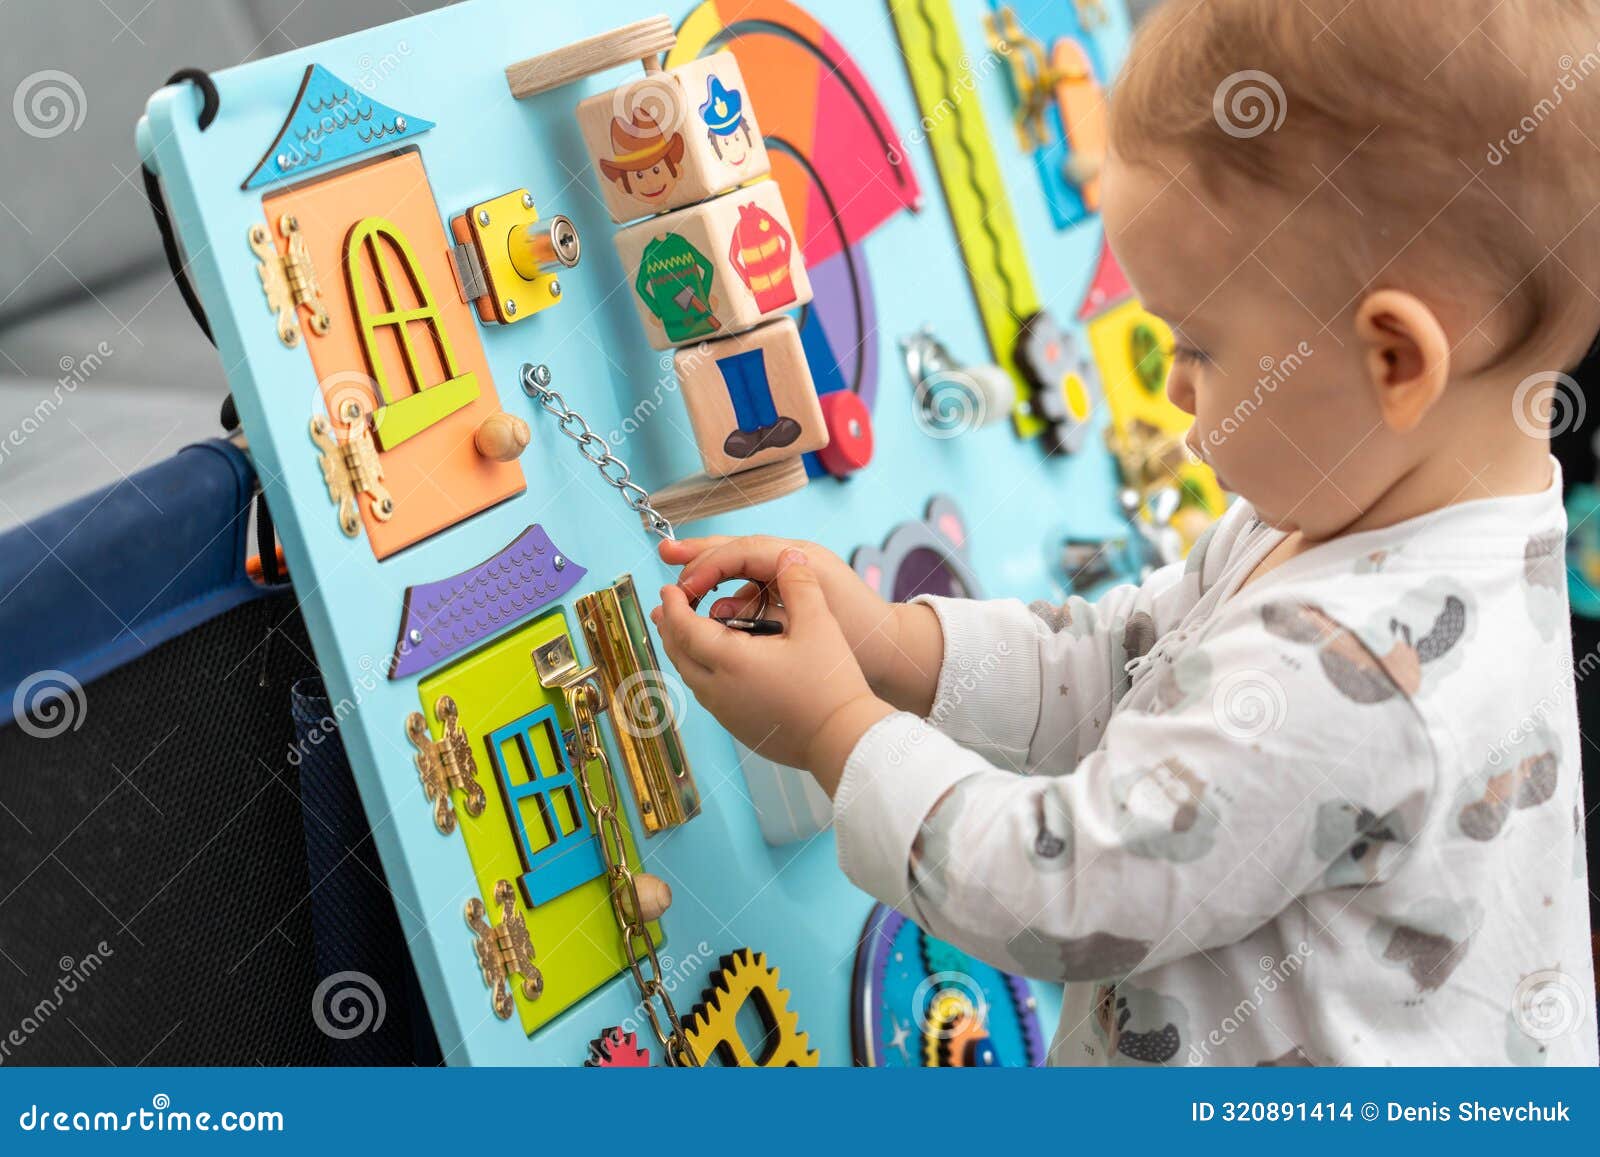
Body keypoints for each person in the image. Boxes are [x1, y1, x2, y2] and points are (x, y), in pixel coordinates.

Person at [651, 0, 1600, 1065]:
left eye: (1196, 343)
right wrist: (888, 645)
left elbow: (1056, 890)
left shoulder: (1362, 667)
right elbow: (1125, 670)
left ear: (1393, 360)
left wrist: (835, 725)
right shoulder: (1384, 512)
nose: (1174, 386)